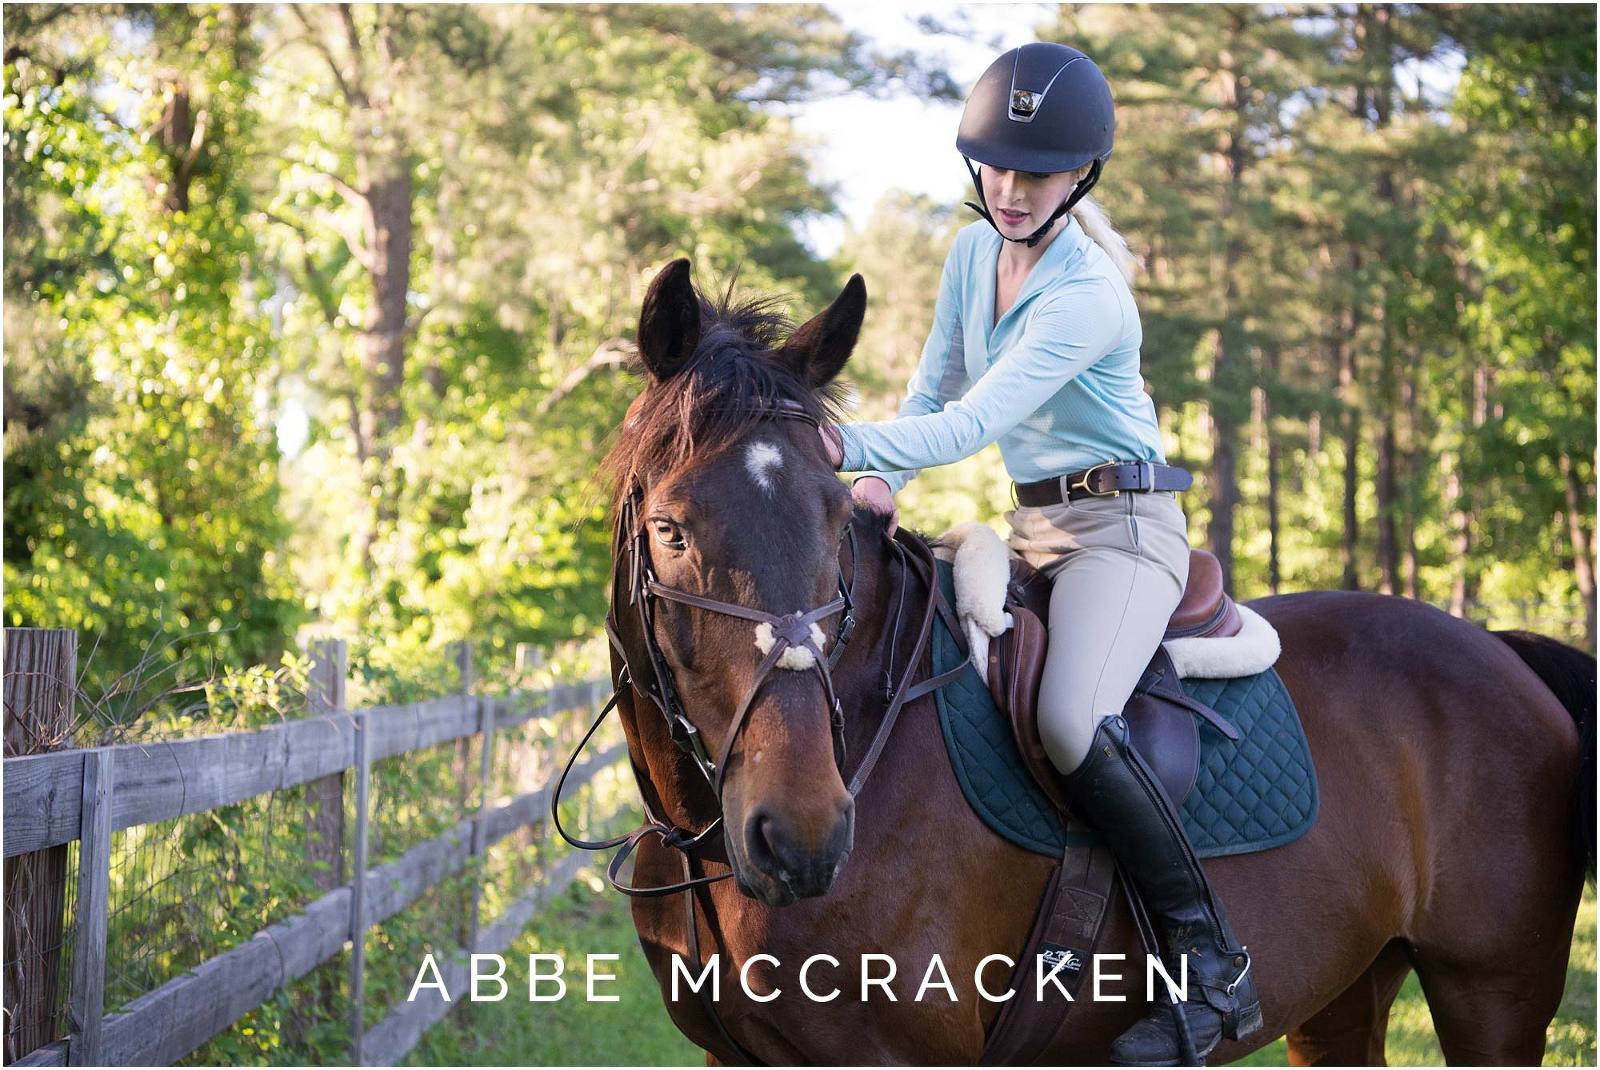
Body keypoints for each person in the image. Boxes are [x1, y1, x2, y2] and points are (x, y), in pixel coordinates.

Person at [816, 42, 1262, 1066]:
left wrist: (839, 444)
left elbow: (974, 417)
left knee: (1067, 715)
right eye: (995, 168)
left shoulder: (1086, 293)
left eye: (1036, 173)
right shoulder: (972, 252)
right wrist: (881, 480)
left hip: (1126, 532)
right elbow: (933, 390)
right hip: (1034, 528)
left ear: (1081, 176)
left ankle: (1214, 968)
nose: (1009, 190)